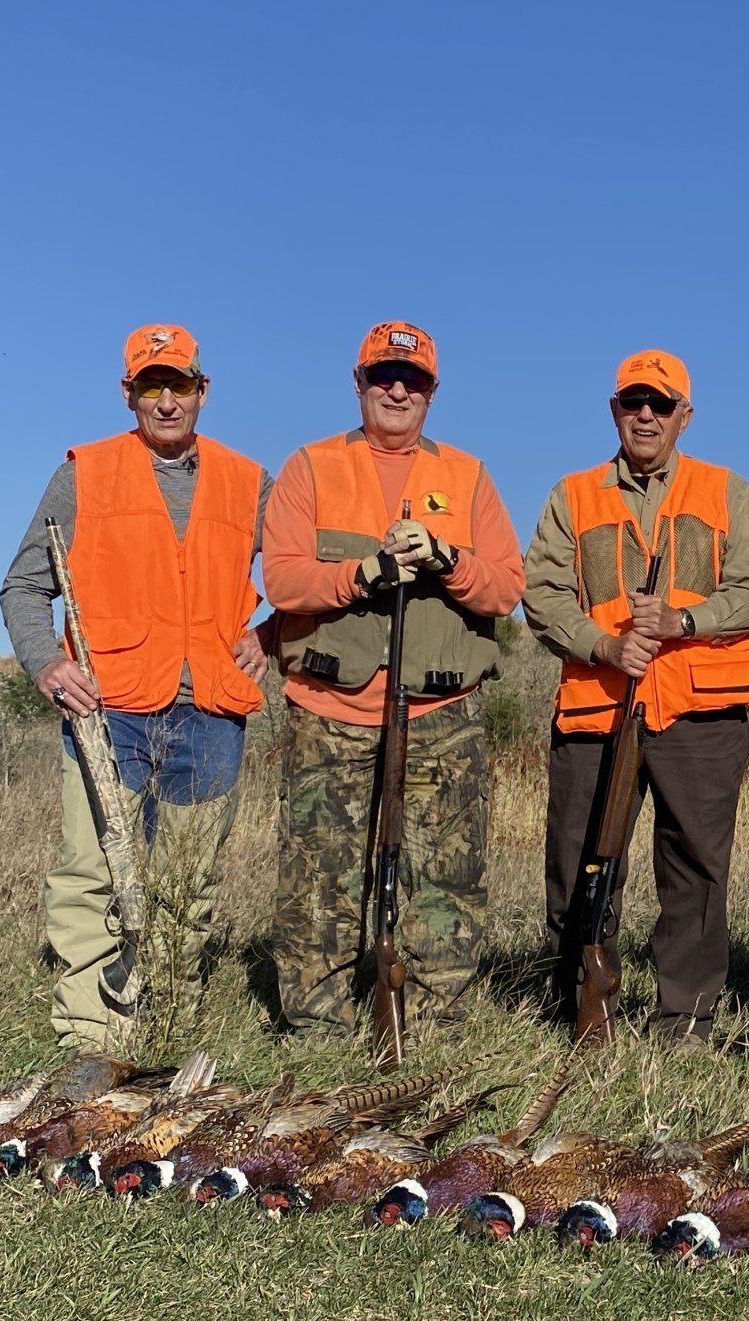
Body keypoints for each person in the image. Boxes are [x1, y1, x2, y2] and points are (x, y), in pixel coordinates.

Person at [0, 324, 273, 1048]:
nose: (165, 399)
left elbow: (304, 578)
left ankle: (168, 1026)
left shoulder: (250, 481)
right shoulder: (83, 472)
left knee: (188, 883)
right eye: (150, 385)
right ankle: (92, 1039)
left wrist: (272, 637)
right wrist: (46, 664)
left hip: (212, 708)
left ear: (202, 392)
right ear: (128, 394)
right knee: (92, 874)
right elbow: (24, 585)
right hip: (109, 706)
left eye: (178, 383)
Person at [262, 321, 525, 1037]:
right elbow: (282, 579)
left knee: (448, 874)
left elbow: (505, 589)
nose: (398, 389)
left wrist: (447, 559)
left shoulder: (468, 476)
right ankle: (317, 1028)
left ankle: (436, 1024)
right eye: (383, 376)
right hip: (330, 706)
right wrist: (365, 573)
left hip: (443, 711)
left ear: (433, 393)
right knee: (320, 874)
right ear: (359, 384)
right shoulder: (310, 467)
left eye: (413, 380)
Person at [523, 350, 749, 1041]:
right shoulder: (572, 495)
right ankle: (579, 1006)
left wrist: (682, 622)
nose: (646, 415)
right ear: (613, 411)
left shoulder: (727, 491)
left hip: (700, 711)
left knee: (694, 867)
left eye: (661, 404)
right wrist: (604, 645)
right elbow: (540, 594)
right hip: (598, 707)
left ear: (684, 416)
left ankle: (683, 1021)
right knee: (579, 862)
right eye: (633, 402)